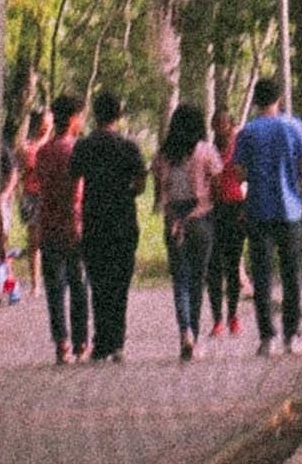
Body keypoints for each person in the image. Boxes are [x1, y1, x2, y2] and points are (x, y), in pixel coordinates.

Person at [232, 73, 302, 355]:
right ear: (279, 98)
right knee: (291, 275)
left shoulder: (248, 132)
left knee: (262, 277)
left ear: (255, 101)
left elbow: (238, 172)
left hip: (258, 211)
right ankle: (292, 335)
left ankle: (267, 337)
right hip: (290, 210)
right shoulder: (295, 127)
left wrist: (257, 174)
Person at [72, 87, 148, 363]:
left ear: (95, 114)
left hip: (94, 222)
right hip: (123, 222)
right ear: (119, 115)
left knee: (98, 284)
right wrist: (127, 192)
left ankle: (101, 341)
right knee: (119, 284)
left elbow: (74, 177)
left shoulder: (84, 146)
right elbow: (141, 182)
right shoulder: (129, 147)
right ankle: (116, 342)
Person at [24, 93, 90, 364]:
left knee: (55, 288)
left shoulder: (43, 152)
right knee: (78, 285)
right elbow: (77, 189)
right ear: (73, 119)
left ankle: (61, 343)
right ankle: (81, 343)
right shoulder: (76, 150)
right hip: (73, 224)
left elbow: (41, 187)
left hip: (48, 224)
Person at [154, 100, 216, 363]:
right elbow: (217, 180)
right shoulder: (205, 151)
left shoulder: (162, 155)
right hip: (200, 219)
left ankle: (185, 332)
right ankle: (195, 335)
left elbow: (158, 191)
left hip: (173, 221)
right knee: (197, 280)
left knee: (180, 279)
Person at [206, 105, 247, 337]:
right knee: (213, 267)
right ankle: (217, 319)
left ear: (232, 126)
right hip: (214, 210)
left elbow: (245, 178)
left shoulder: (238, 150)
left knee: (232, 265)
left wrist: (245, 209)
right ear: (213, 126)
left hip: (235, 209)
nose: (221, 128)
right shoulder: (208, 151)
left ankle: (233, 315)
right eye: (217, 124)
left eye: (225, 124)